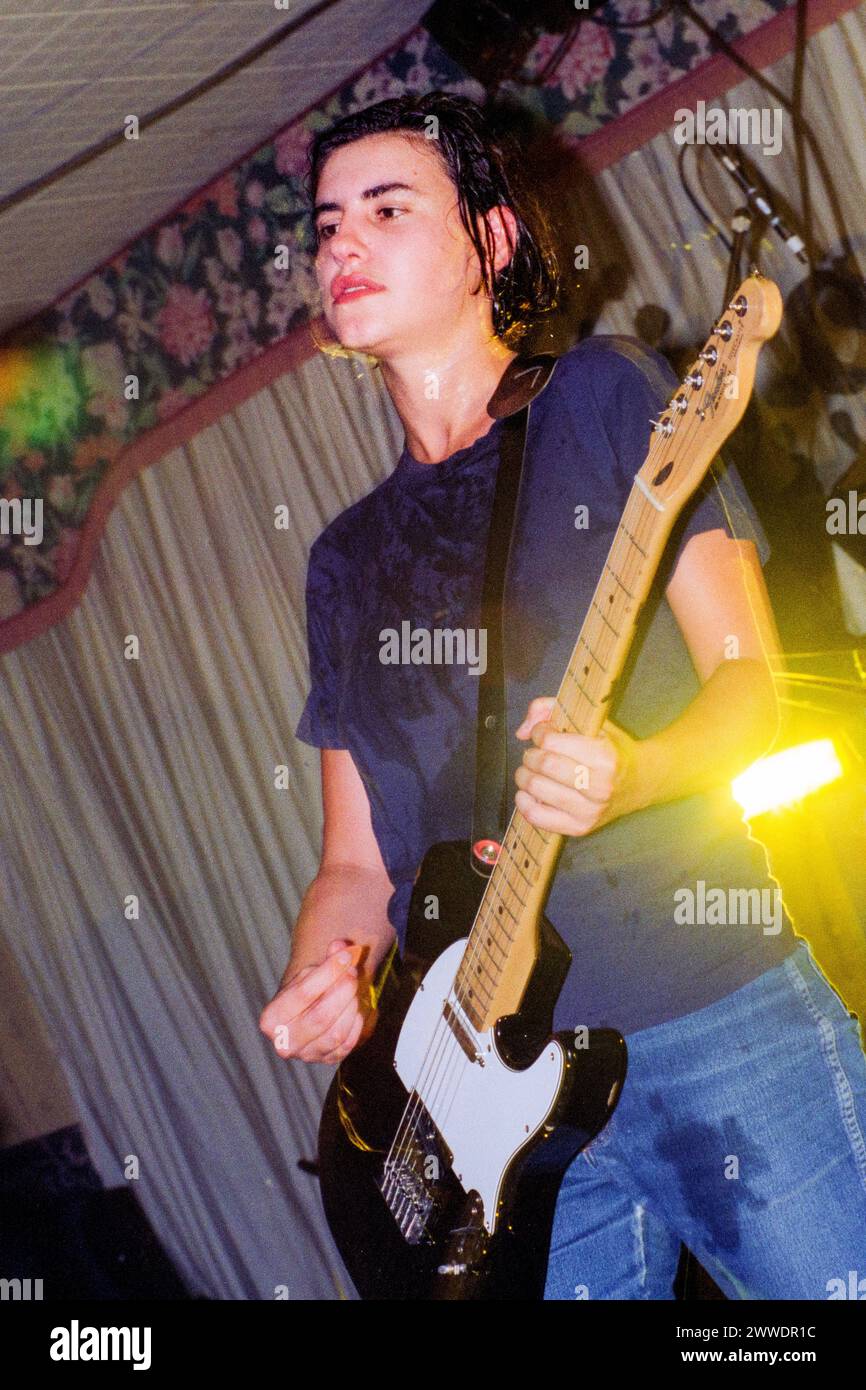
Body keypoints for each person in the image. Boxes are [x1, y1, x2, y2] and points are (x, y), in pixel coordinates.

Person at [259, 92, 866, 1300]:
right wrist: (321, 970)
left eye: (386, 208)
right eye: (326, 223)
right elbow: (357, 864)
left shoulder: (599, 395)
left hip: (706, 1010)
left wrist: (632, 770)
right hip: (482, 1105)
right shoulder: (342, 558)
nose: (340, 244)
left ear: (489, 242)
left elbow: (750, 686)